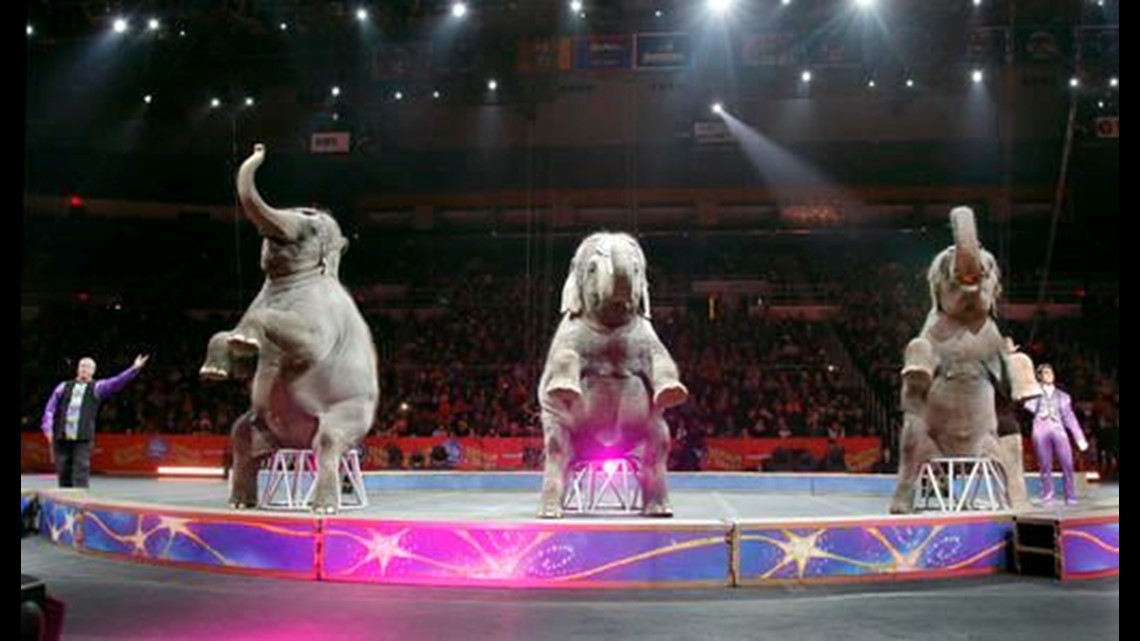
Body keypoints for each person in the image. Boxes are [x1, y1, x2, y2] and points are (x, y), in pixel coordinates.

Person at [40, 354, 150, 488]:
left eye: (88, 367)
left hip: (83, 437)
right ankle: (65, 506)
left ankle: (81, 505)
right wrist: (47, 427)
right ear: (77, 369)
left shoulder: (97, 387)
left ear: (93, 371)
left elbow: (117, 381)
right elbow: (50, 409)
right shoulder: (63, 387)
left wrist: (134, 368)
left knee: (81, 471)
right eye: (82, 366)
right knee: (63, 472)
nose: (84, 369)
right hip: (62, 437)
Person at [1021, 363, 1088, 505]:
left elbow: (1070, 418)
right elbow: (1025, 402)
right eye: (1045, 372)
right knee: (1045, 464)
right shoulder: (1034, 394)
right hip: (1040, 428)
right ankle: (1048, 495)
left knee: (1067, 463)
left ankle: (1070, 495)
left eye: (1050, 372)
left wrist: (1079, 438)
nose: (1049, 375)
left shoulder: (1063, 396)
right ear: (1039, 376)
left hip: (1058, 429)